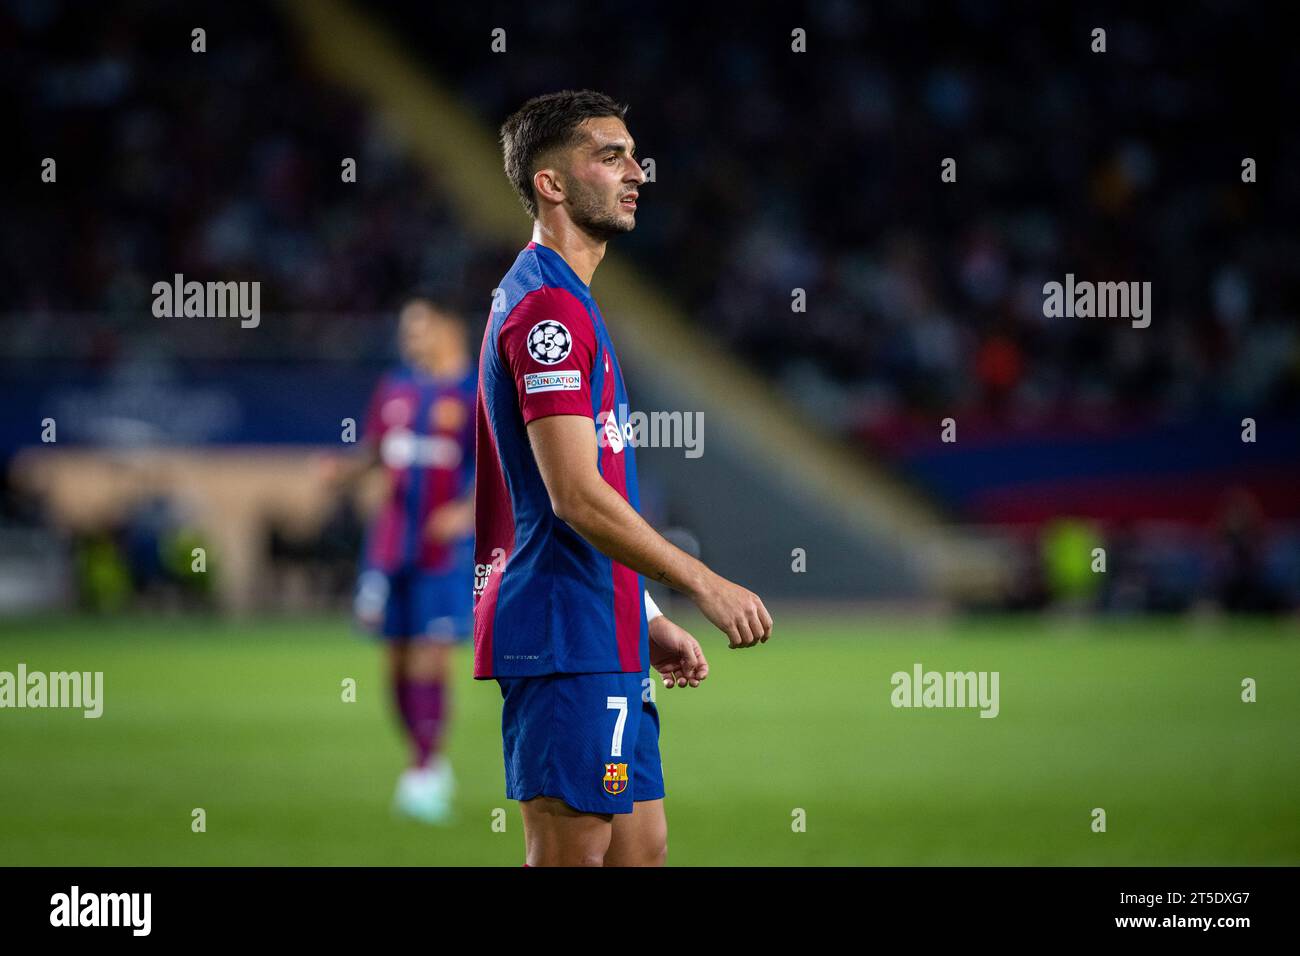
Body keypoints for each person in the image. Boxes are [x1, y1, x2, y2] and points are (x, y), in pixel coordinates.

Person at [474, 90, 773, 866]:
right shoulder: (546, 312)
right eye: (610, 156)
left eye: (633, 156)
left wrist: (642, 616)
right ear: (551, 184)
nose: (636, 172)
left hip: (605, 627)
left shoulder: (572, 301)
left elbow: (584, 490)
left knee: (640, 850)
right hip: (563, 633)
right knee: (574, 852)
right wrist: (702, 583)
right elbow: (574, 496)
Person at [326, 297, 476, 823]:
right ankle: (423, 760)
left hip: (443, 550)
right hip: (389, 546)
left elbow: (496, 466)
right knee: (393, 660)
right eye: (405, 329)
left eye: (420, 328)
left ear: (448, 326)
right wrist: (343, 472)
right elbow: (375, 450)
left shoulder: (475, 391)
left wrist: (464, 513)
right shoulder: (396, 389)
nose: (410, 338)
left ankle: (425, 767)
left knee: (430, 655)